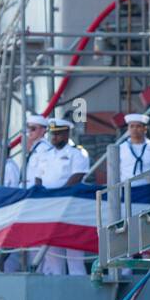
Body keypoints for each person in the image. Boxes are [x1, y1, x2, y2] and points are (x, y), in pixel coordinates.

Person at [33, 117, 90, 275]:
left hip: (70, 207)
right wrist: (43, 195)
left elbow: (76, 177)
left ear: (66, 134)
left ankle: (78, 285)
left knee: (74, 253)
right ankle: (55, 284)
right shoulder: (46, 154)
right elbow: (38, 178)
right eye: (52, 134)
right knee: (52, 253)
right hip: (49, 208)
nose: (54, 137)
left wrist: (58, 196)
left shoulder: (78, 153)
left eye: (58, 134)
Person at [118, 112, 150, 180]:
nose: (135, 129)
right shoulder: (121, 148)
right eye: (132, 126)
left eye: (138, 126)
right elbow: (116, 171)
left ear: (145, 129)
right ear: (128, 129)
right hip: (127, 188)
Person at [22, 114, 52, 187]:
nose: (29, 131)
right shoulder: (35, 147)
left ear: (43, 130)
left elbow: (42, 174)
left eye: (33, 128)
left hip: (34, 190)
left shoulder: (44, 148)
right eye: (28, 128)